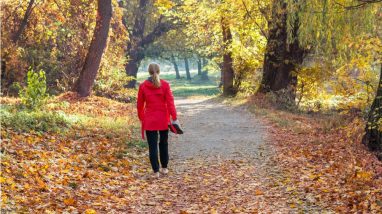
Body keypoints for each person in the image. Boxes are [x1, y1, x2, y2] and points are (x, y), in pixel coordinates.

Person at [137, 63, 179, 178]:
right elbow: (170, 103)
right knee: (163, 143)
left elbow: (139, 105)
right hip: (163, 119)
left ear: (149, 71)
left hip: (150, 120)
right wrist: (174, 117)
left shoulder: (143, 86)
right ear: (159, 71)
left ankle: (155, 171)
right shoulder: (165, 85)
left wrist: (142, 118)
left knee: (152, 146)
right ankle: (164, 168)